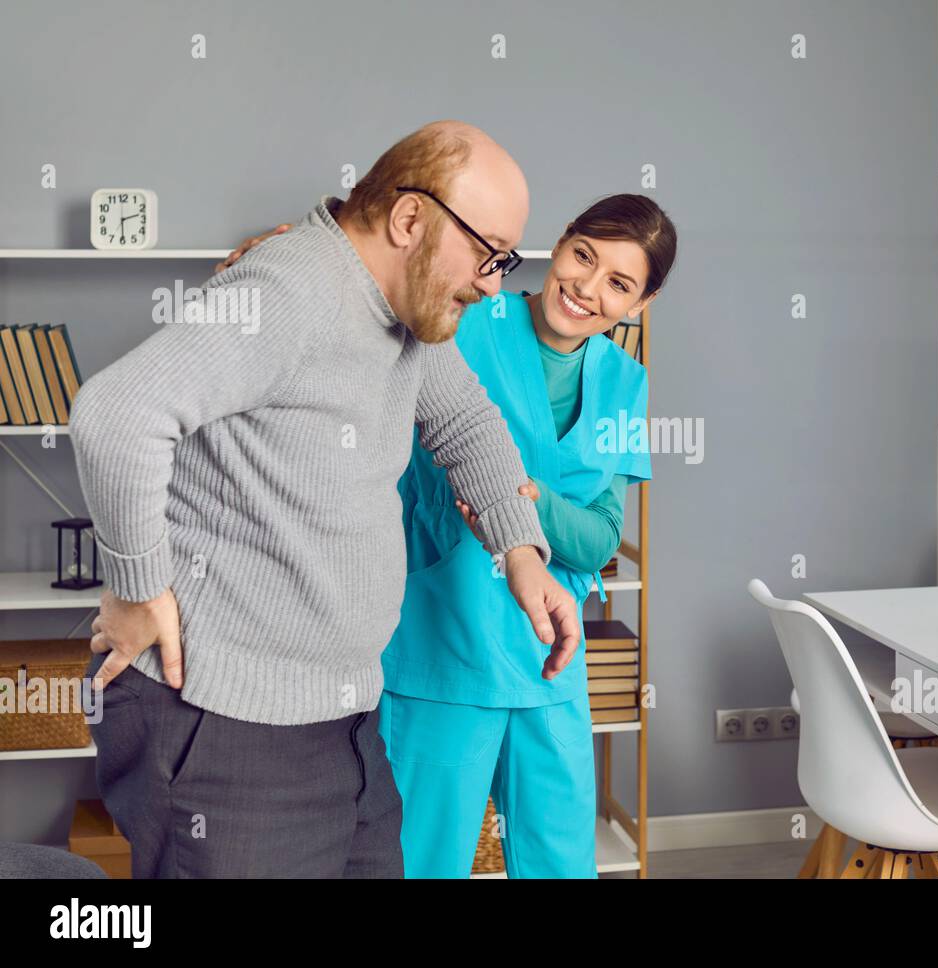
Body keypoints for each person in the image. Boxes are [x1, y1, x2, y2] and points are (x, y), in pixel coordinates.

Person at [69, 120, 581, 878]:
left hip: (342, 722)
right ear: (410, 220)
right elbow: (115, 416)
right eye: (488, 254)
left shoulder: (404, 313)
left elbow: (466, 422)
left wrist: (521, 550)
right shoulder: (288, 290)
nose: (493, 283)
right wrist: (139, 589)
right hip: (224, 723)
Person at [223, 195, 676, 877]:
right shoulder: (464, 318)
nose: (587, 288)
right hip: (441, 648)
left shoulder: (625, 385)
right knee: (419, 862)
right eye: (583, 256)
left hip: (548, 659)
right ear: (559, 245)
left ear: (640, 304)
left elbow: (598, 542)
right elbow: (366, 298)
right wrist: (284, 263)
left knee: (562, 864)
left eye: (620, 283)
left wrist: (520, 494)